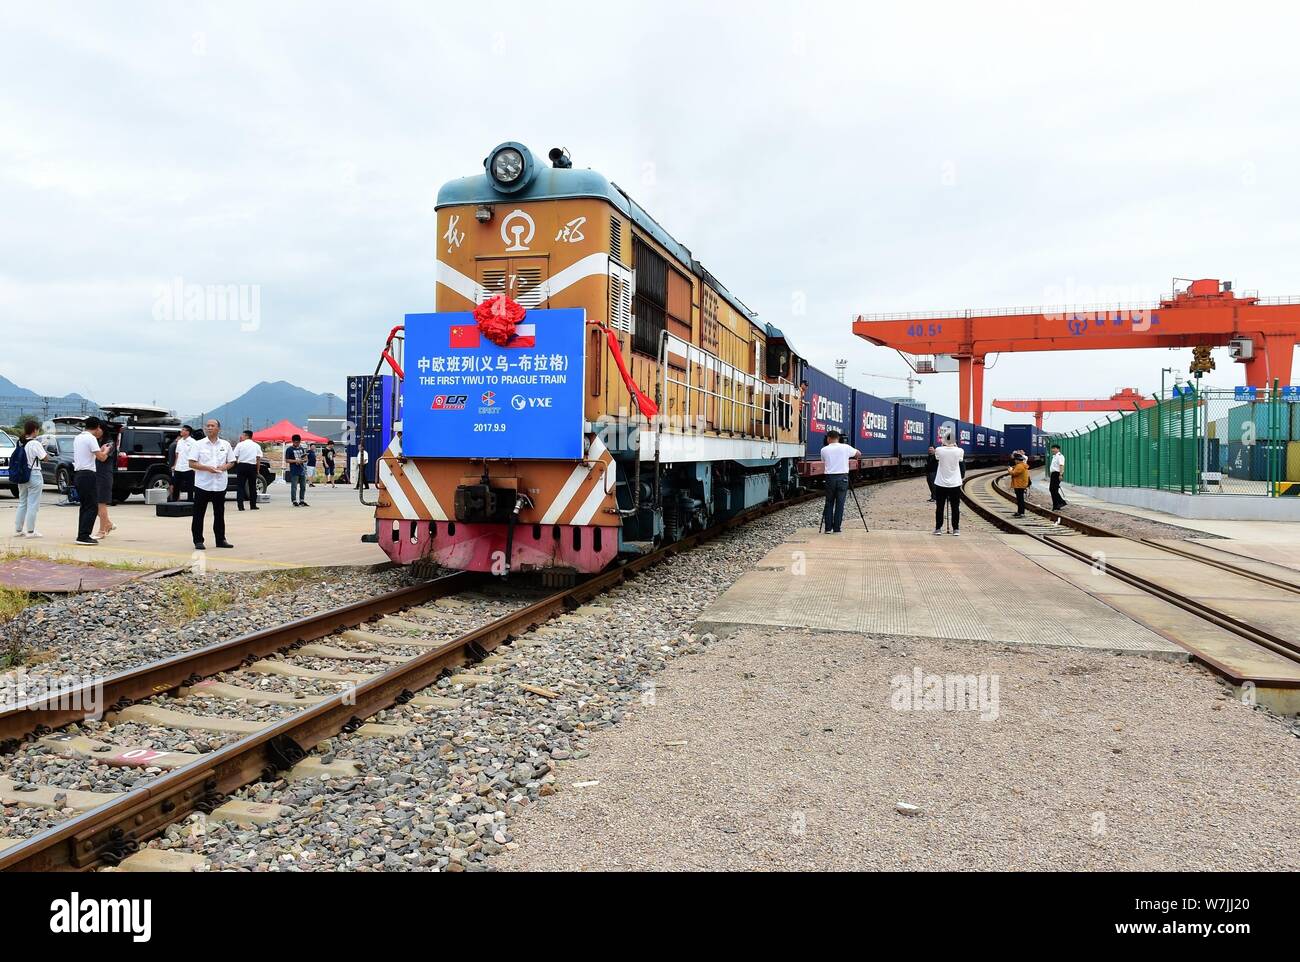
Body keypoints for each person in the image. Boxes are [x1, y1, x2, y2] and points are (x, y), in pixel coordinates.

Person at [189, 418, 235, 550]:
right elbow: (192, 463)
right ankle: (198, 540)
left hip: (219, 484)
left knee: (219, 513)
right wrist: (207, 468)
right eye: (207, 426)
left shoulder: (225, 444)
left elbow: (231, 462)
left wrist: (223, 467)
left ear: (218, 429)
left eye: (212, 426)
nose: (209, 428)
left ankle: (221, 539)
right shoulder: (198, 444)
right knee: (199, 513)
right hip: (203, 484)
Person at [72, 416, 111, 546]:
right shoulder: (91, 438)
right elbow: (102, 458)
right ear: (97, 427)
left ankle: (81, 534)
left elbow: (89, 453)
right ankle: (84, 536)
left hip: (78, 474)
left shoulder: (78, 437)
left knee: (85, 506)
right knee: (92, 506)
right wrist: (106, 450)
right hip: (88, 474)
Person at [818, 429, 860, 534]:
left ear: (828, 438)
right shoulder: (845, 447)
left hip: (830, 478)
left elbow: (823, 461)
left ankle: (828, 528)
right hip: (843, 478)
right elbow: (859, 453)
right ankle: (837, 528)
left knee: (829, 502)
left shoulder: (824, 450)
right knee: (840, 503)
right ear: (838, 438)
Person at [12, 419, 48, 538]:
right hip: (34, 475)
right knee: (33, 504)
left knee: (22, 503)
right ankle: (31, 531)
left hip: (21, 475)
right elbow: (44, 458)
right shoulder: (35, 443)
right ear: (34, 430)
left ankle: (18, 530)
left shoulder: (20, 442)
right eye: (37, 430)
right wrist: (44, 448)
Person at [932, 431, 965, 536]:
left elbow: (937, 458)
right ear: (955, 441)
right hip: (955, 483)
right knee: (955, 507)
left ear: (943, 440)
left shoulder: (938, 450)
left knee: (940, 507)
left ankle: (938, 528)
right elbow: (960, 460)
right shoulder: (960, 450)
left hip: (940, 482)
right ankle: (956, 529)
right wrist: (955, 446)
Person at [94, 422, 118, 539]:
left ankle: (102, 531)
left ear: (102, 429)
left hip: (104, 475)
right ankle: (108, 524)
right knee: (94, 504)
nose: (95, 432)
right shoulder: (97, 441)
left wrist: (97, 451)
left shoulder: (109, 443)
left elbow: (103, 457)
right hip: (95, 473)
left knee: (101, 503)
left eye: (97, 429)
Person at [232, 430, 262, 511]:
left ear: (246, 436)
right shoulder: (256, 445)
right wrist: (258, 470)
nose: (241, 436)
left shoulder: (240, 445)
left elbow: (235, 456)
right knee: (252, 487)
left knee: (240, 486)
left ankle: (240, 506)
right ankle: (253, 505)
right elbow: (258, 459)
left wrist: (237, 464)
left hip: (242, 466)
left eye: (243, 435)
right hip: (252, 466)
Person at [169, 425, 196, 502]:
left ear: (188, 432)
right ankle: (174, 501)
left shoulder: (193, 442)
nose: (181, 431)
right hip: (179, 467)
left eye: (183, 430)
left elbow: (195, 455)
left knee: (190, 486)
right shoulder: (179, 441)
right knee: (176, 485)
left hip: (189, 467)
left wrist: (194, 466)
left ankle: (190, 501)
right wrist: (175, 464)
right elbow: (177, 454)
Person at [285, 434, 308, 506]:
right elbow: (287, 460)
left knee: (303, 486)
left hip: (302, 470)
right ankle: (294, 500)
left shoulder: (301, 448)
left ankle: (302, 500)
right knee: (294, 486)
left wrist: (304, 460)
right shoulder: (289, 449)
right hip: (294, 470)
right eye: (296, 442)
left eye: (298, 442)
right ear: (293, 441)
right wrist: (296, 461)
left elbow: (306, 458)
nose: (297, 443)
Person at [1007, 452, 1030, 517]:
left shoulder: (1020, 466)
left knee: (1020, 499)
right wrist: (1012, 468)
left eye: (1015, 460)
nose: (1014, 461)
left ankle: (1021, 513)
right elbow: (1015, 469)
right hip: (1020, 484)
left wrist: (1009, 470)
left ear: (1017, 460)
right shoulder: (1021, 465)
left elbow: (1014, 473)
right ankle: (1019, 512)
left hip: (1019, 484)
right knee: (1019, 499)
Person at [1049, 444, 1068, 510]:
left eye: (1054, 448)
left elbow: (1061, 465)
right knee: (1053, 489)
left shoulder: (1060, 456)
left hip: (1057, 474)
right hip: (1054, 474)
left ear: (1058, 449)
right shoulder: (1054, 456)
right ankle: (1057, 505)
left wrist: (1060, 474)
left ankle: (1060, 503)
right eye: (1052, 448)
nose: (1052, 450)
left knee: (1052, 489)